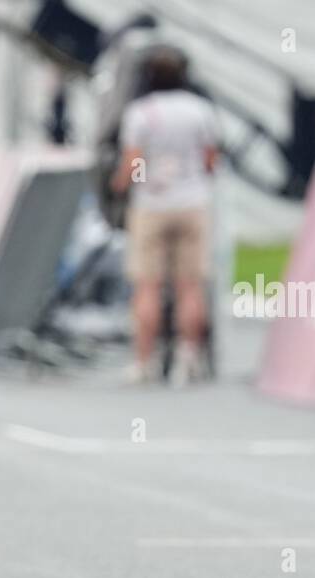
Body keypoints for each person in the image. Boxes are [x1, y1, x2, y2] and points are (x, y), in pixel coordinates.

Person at [111, 47, 218, 386]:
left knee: (147, 287)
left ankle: (145, 362)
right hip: (192, 203)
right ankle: (189, 359)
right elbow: (211, 162)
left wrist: (123, 185)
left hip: (151, 206)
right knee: (190, 286)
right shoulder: (201, 111)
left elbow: (133, 164)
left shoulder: (141, 113)